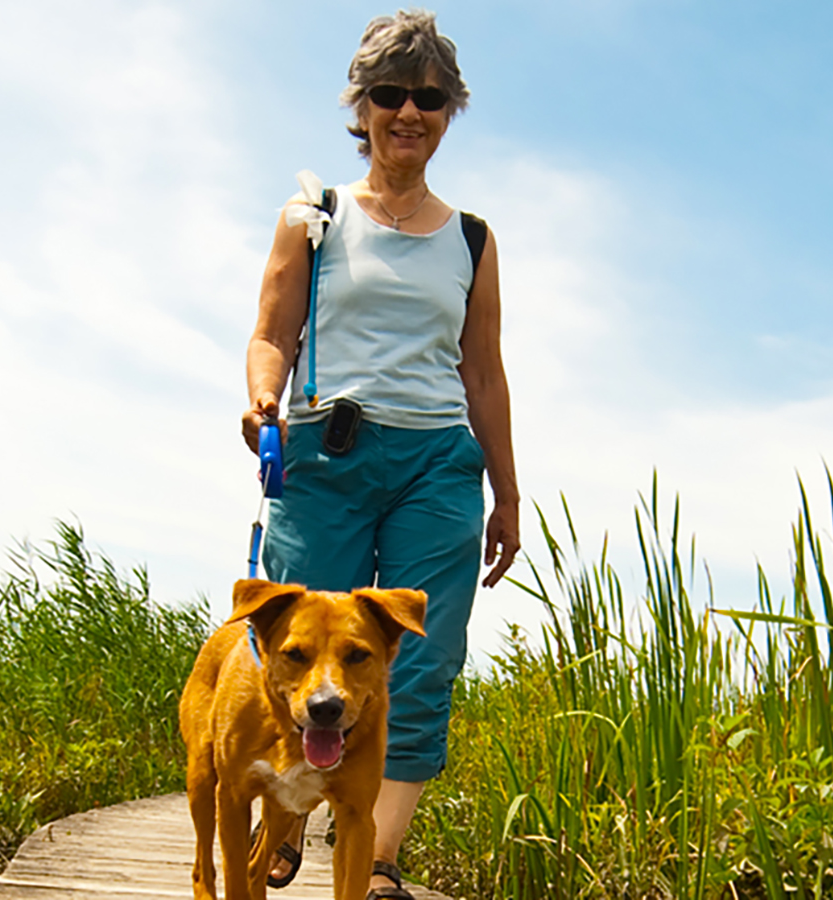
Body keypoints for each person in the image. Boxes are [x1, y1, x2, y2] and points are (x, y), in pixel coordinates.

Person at [239, 9, 518, 899]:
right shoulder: (312, 218)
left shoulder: (471, 239)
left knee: (422, 662)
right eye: (391, 94)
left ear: (449, 112)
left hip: (437, 464)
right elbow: (271, 335)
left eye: (429, 98)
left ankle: (381, 856)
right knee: (295, 650)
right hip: (326, 454)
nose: (409, 112)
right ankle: (289, 816)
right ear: (360, 107)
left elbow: (484, 373)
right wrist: (263, 399)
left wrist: (508, 495)